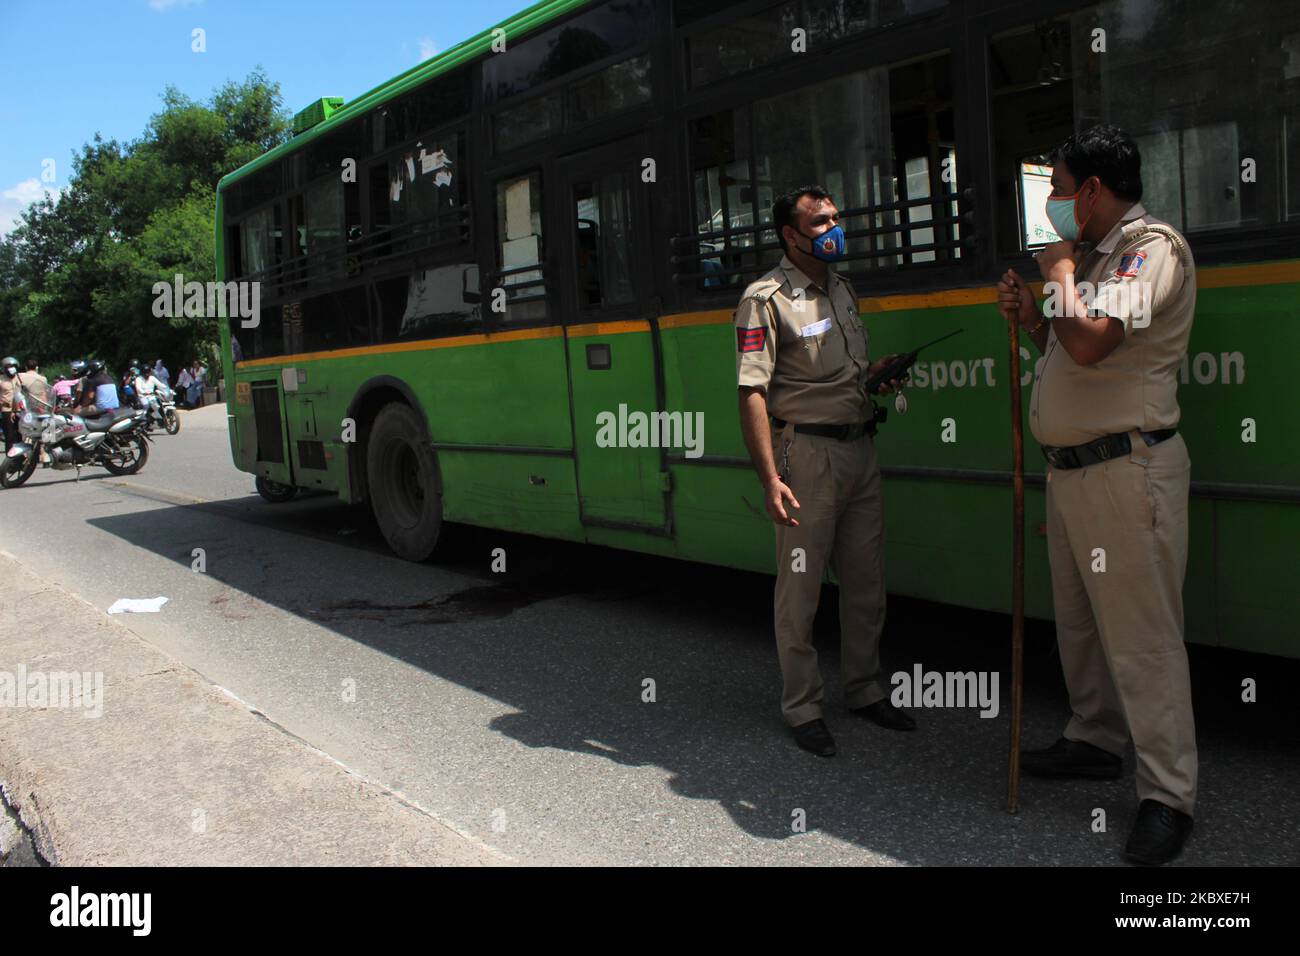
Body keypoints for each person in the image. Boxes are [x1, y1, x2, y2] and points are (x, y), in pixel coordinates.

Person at [996, 125, 1198, 865]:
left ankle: (1168, 796)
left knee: (1143, 641)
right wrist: (1028, 321)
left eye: (1055, 189)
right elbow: (1060, 352)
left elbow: (1090, 340)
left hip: (1126, 470)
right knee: (1080, 626)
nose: (1048, 204)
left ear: (1090, 191)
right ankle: (1093, 739)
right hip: (1074, 474)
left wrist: (1053, 270)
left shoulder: (1151, 250)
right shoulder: (1094, 258)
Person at [735, 185, 910, 758]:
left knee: (865, 584)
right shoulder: (765, 299)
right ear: (791, 235)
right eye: (820, 221)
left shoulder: (841, 289)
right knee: (801, 592)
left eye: (837, 217)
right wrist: (770, 480)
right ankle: (803, 706)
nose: (835, 228)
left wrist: (875, 374)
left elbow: (842, 374)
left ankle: (863, 689)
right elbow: (753, 393)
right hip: (806, 459)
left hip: (859, 450)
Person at [0, 356, 20, 452]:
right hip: (6, 410)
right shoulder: (1, 380)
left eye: (13, 366)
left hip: (20, 409)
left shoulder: (19, 378)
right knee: (10, 434)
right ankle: (10, 454)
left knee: (20, 433)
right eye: (8, 367)